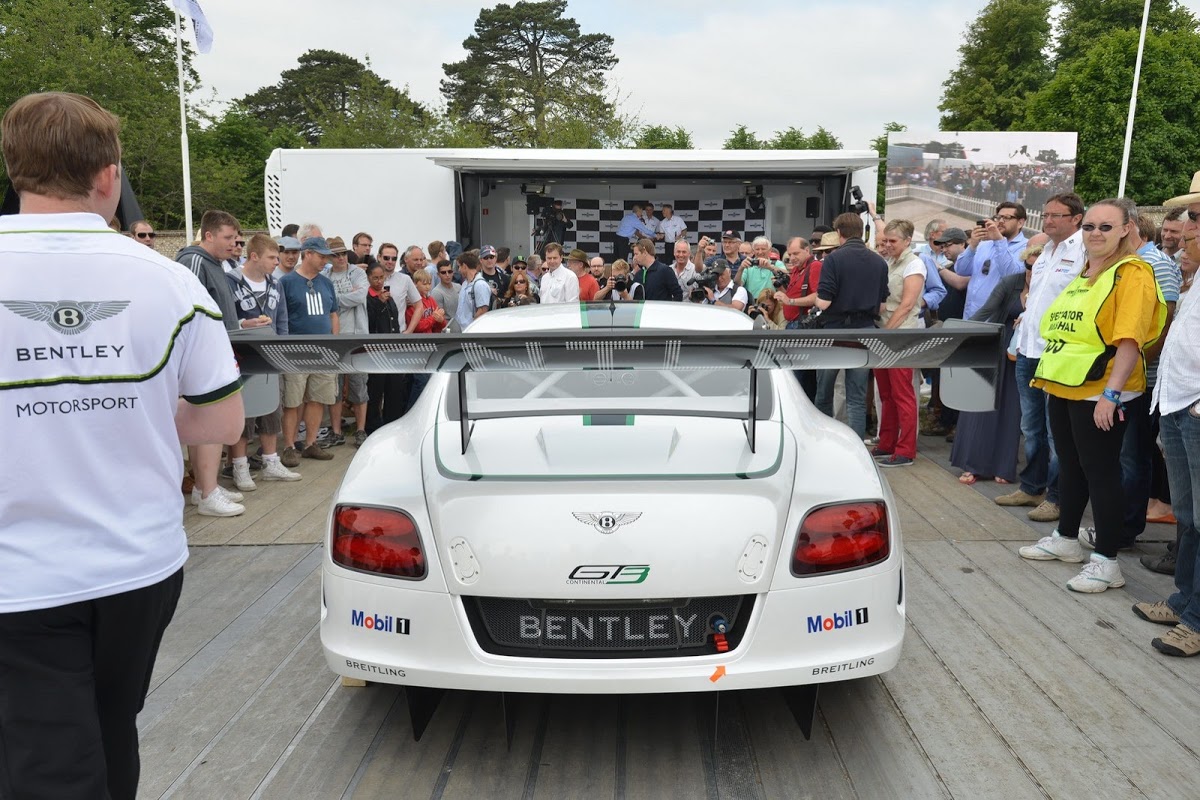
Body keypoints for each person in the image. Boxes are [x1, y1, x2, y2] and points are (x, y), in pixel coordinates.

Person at [0, 90, 244, 800]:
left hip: (19, 575)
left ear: (16, 169)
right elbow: (222, 425)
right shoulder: (171, 285)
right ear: (109, 177)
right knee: (111, 728)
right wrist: (123, 415)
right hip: (138, 563)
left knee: (43, 755)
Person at [1019, 199, 1167, 593]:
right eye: (1089, 227)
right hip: (1064, 383)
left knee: (1102, 474)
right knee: (1069, 465)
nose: (1095, 234)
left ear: (1126, 229)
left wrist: (1112, 394)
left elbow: (1131, 339)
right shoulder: (1088, 270)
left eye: (1105, 227)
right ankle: (1067, 539)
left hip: (1102, 390)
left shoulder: (1132, 272)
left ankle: (1106, 561)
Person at [1138, 174, 1200, 654]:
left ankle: (1195, 620)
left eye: (1195, 219)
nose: (1184, 230)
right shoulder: (1194, 276)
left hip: (1193, 408)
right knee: (1187, 516)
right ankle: (1184, 601)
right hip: (1178, 405)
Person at [996, 193, 1085, 522]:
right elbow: (1038, 297)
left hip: (1056, 354)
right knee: (1031, 427)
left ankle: (1057, 496)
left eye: (1056, 215)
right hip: (1029, 349)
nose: (1047, 220)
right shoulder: (1046, 250)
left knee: (1055, 431)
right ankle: (1031, 486)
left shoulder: (1084, 251)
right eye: (1045, 214)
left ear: (1076, 218)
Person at [175, 209, 245, 516]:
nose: (234, 243)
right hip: (200, 359)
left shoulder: (216, 264)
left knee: (212, 422)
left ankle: (207, 485)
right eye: (228, 237)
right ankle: (206, 492)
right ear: (208, 235)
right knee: (210, 422)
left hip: (217, 354)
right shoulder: (192, 261)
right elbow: (184, 308)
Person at [952, 244, 1039, 486]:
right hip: (1000, 348)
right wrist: (962, 335)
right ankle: (973, 465)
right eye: (1028, 266)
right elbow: (986, 311)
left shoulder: (1051, 286)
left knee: (1014, 412)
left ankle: (1004, 466)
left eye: (1037, 266)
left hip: (1030, 353)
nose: (1031, 271)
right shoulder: (1011, 282)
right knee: (981, 407)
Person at [225, 234, 304, 480]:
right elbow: (222, 318)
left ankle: (271, 462)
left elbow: (282, 319)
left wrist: (282, 348)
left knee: (272, 410)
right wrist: (243, 324)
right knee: (244, 413)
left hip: (270, 355)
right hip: (241, 356)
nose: (276, 262)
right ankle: (239, 466)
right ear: (254, 256)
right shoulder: (230, 282)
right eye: (272, 257)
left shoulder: (275, 284)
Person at [813, 213, 889, 440]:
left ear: (839, 233)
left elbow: (824, 303)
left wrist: (814, 300)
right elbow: (882, 307)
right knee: (857, 396)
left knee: (823, 393)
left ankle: (823, 440)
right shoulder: (879, 261)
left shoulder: (833, 260)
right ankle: (856, 445)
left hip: (835, 332)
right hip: (865, 331)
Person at [278, 237, 340, 462]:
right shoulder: (286, 282)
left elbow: (333, 314)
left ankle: (311, 443)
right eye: (322, 256)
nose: (325, 261)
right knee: (293, 401)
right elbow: (281, 318)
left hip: (323, 351)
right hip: (295, 351)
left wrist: (334, 343)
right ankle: (289, 446)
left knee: (317, 398)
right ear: (308, 253)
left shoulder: (326, 283)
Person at [872, 220, 925, 468]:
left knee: (903, 394)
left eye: (893, 241)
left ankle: (905, 450)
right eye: (885, 240)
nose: (888, 245)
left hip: (900, 335)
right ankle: (887, 443)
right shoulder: (891, 263)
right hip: (886, 332)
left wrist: (886, 333)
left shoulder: (914, 264)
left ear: (907, 241)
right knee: (886, 394)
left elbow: (906, 305)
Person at [324, 236, 370, 447]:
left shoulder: (358, 272)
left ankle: (360, 430)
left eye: (343, 253)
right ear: (329, 256)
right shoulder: (324, 274)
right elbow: (323, 300)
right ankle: (336, 430)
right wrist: (344, 296)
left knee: (359, 386)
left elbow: (361, 296)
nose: (341, 257)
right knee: (334, 388)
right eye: (336, 254)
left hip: (356, 335)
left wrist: (334, 299)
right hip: (332, 337)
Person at [955, 202, 1030, 319]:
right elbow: (961, 270)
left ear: (1020, 222)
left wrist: (999, 241)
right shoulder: (985, 244)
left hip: (996, 320)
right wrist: (972, 246)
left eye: (1007, 218)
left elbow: (1011, 275)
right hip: (970, 316)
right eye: (998, 217)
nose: (1000, 221)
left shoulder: (1026, 246)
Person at [364, 264, 409, 434]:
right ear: (368, 278)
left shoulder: (389, 298)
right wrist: (380, 304)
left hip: (393, 351)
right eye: (375, 278)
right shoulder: (368, 299)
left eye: (381, 277)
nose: (378, 281)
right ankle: (373, 427)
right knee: (375, 391)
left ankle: (393, 423)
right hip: (376, 352)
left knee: (394, 389)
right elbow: (369, 323)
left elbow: (395, 323)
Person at [631, 237, 682, 302]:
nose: (634, 258)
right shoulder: (638, 275)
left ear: (644, 252)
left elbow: (678, 295)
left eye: (636, 254)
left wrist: (669, 311)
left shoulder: (665, 271)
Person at [455, 250, 494, 326]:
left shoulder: (480, 285)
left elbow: (482, 311)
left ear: (464, 266)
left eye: (459, 266)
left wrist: (471, 327)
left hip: (472, 331)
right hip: (462, 331)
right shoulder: (465, 283)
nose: (458, 270)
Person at [431, 258, 460, 329]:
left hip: (462, 326)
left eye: (450, 271)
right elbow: (439, 318)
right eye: (443, 272)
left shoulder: (459, 287)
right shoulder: (436, 292)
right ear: (438, 274)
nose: (447, 275)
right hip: (447, 330)